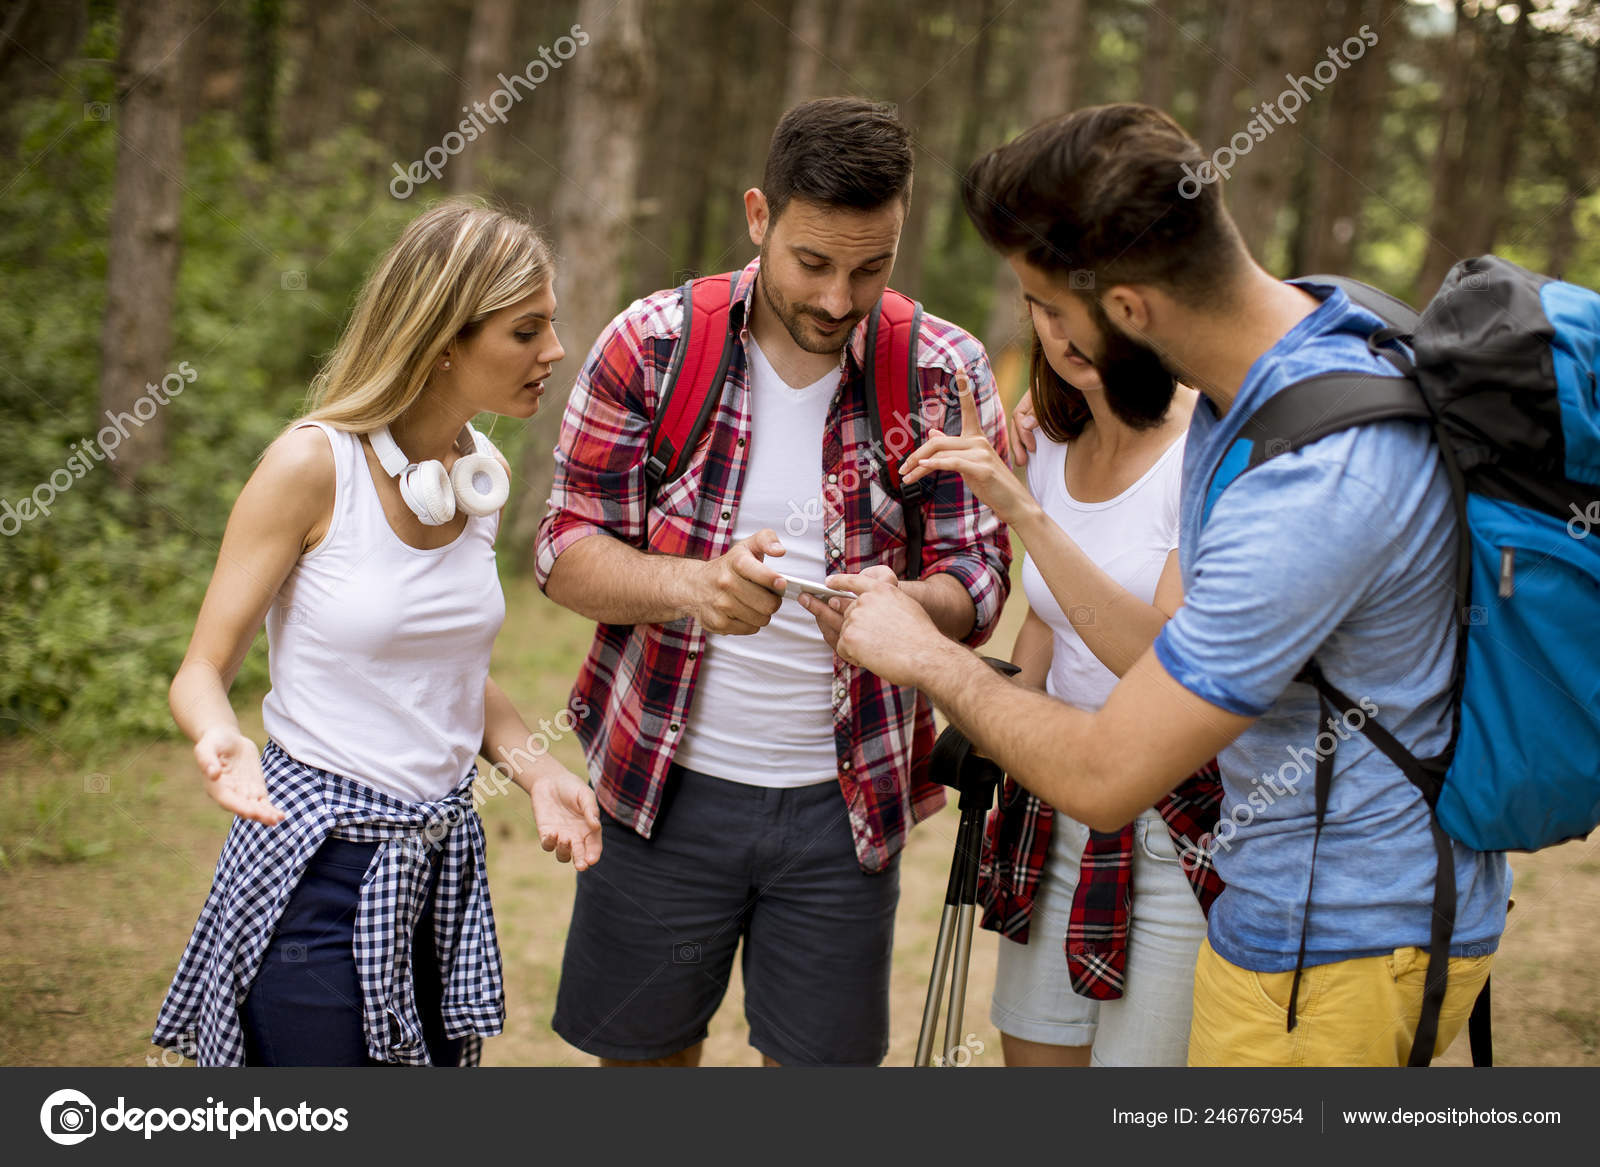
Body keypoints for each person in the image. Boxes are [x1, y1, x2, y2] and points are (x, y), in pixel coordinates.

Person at [832, 104, 1509, 1067]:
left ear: (1132, 311)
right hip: (1287, 919)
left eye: (1057, 313)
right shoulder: (1300, 345)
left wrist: (928, 657)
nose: (1050, 348)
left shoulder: (1314, 482)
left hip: (1337, 953)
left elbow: (1110, 776)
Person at [535, 97, 1012, 1067]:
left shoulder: (942, 369)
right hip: (659, 790)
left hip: (845, 809)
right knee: (640, 1064)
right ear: (759, 217)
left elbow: (982, 573)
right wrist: (691, 588)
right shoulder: (650, 344)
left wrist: (909, 609)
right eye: (812, 263)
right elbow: (564, 546)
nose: (839, 299)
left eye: (869, 267)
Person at [152, 199, 602, 1067]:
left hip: (433, 875)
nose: (553, 351)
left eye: (552, 325)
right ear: (443, 340)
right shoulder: (310, 467)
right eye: (526, 330)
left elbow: (452, 676)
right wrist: (221, 738)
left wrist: (538, 769)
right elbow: (200, 669)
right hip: (309, 872)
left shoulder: (478, 477)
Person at [897, 323, 1221, 1065]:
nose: (1066, 329)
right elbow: (1048, 622)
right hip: (1051, 804)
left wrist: (1024, 513)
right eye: (1044, 303)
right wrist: (999, 720)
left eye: (1088, 302)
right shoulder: (1049, 441)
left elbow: (1165, 660)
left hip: (1169, 824)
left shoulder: (1211, 446)